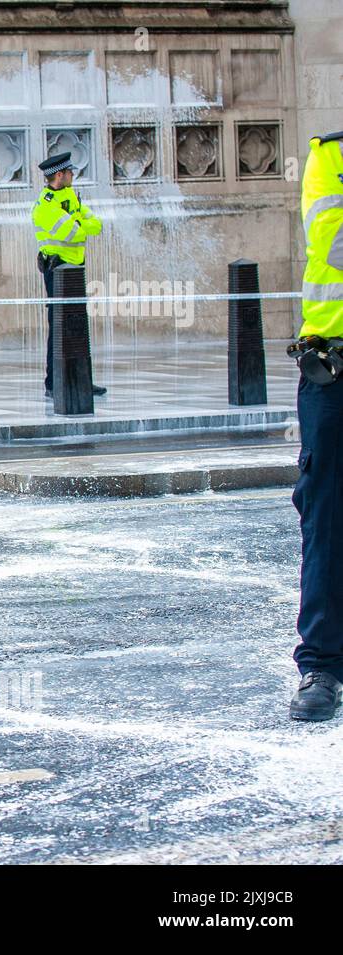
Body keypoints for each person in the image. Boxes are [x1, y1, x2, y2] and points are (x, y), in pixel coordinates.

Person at [289, 130, 343, 722]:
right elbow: (334, 243)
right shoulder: (330, 156)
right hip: (335, 367)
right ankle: (323, 665)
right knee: (326, 516)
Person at [32, 151, 106, 400]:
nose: (74, 174)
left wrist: (77, 221)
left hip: (75, 267)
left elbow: (96, 225)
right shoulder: (47, 203)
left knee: (77, 325)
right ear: (60, 175)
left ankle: (82, 379)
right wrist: (78, 222)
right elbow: (73, 233)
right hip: (57, 268)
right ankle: (53, 383)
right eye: (70, 171)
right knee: (59, 325)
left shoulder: (70, 197)